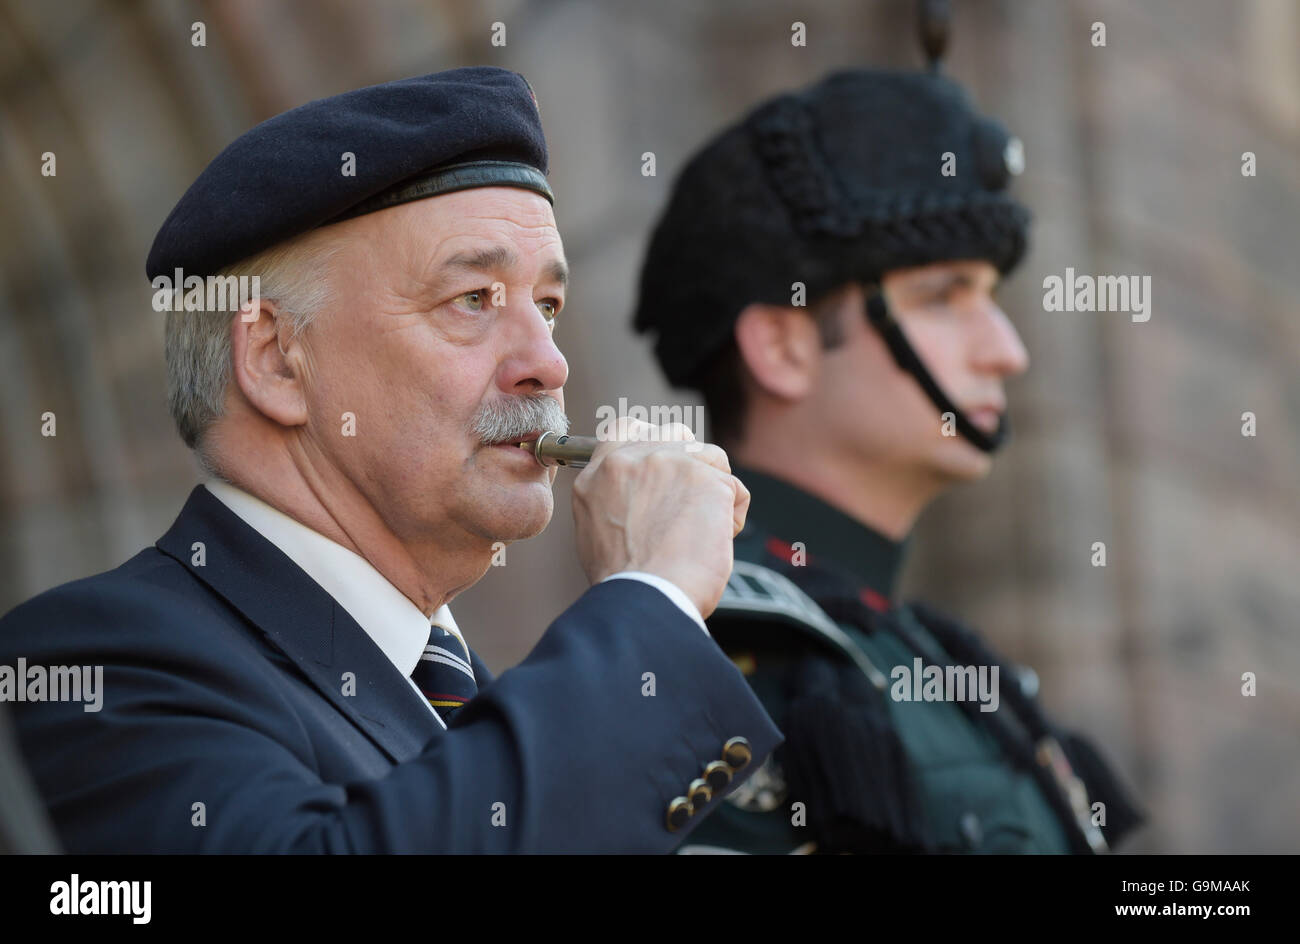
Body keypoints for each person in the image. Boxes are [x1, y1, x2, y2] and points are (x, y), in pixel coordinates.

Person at [0, 67, 780, 853]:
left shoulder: (478, 702)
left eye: (546, 305)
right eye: (473, 299)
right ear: (274, 359)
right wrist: (650, 607)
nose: (549, 363)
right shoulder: (94, 661)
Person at [633, 69, 1143, 854]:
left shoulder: (921, 650)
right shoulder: (706, 656)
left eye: (990, 294)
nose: (1007, 351)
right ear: (781, 347)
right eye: (944, 296)